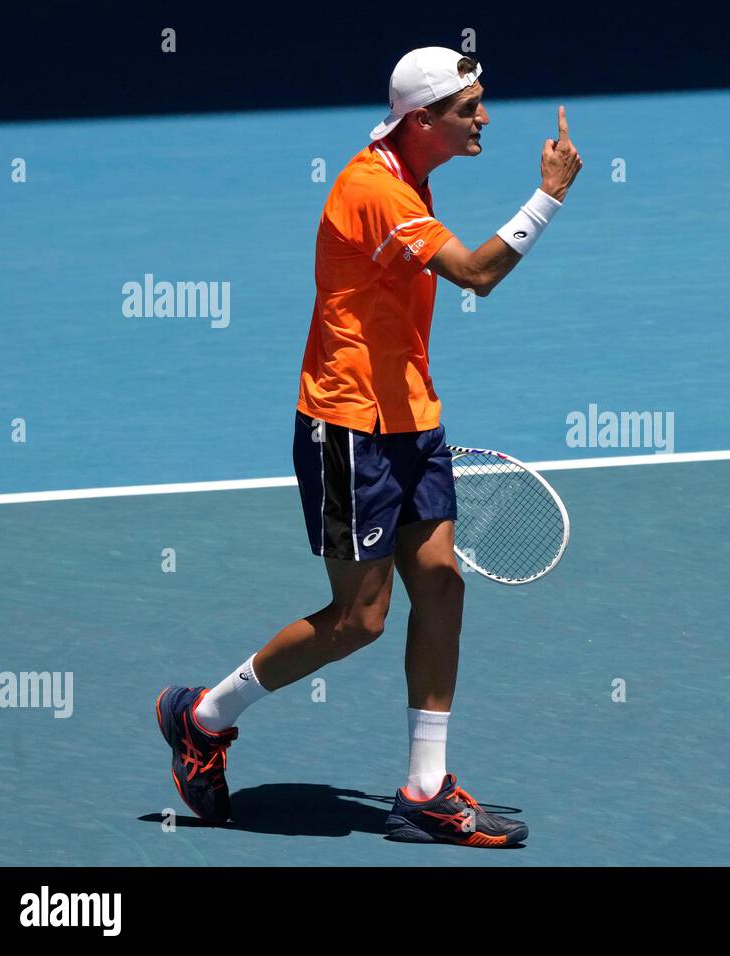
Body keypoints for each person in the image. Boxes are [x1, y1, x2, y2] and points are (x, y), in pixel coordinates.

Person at [155, 47, 583, 847]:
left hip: (412, 418)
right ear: (423, 119)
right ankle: (203, 718)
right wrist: (548, 196)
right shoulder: (375, 191)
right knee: (361, 621)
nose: (484, 116)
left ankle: (424, 792)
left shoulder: (410, 173)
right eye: (470, 107)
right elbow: (478, 274)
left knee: (443, 586)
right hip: (348, 428)